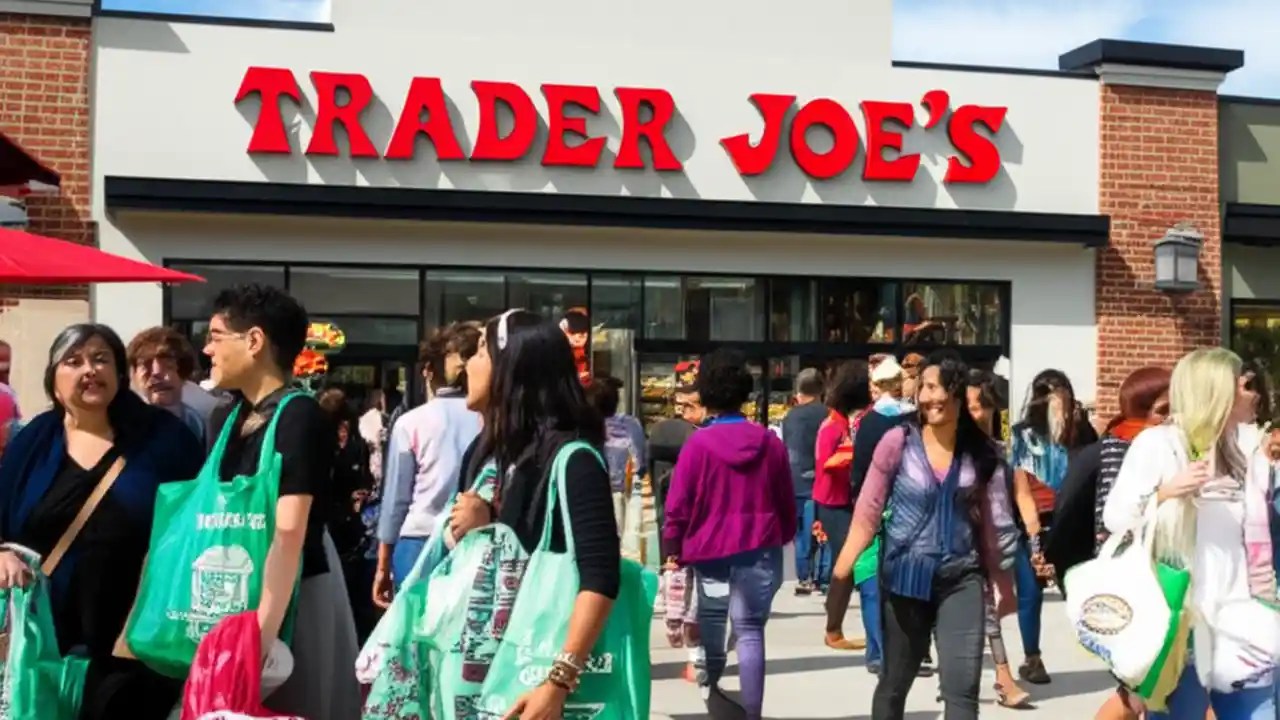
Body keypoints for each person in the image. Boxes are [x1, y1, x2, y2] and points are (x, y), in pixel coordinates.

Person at [0, 324, 204, 719]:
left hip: (137, 637)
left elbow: (193, 528)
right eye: (73, 361)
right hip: (44, 637)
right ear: (54, 381)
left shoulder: (165, 439)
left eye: (101, 359)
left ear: (120, 374)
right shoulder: (33, 442)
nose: (89, 370)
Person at [447, 309, 620, 720]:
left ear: (512, 368)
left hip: (536, 672)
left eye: (480, 353)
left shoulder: (572, 458)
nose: (466, 364)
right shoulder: (488, 452)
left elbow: (601, 575)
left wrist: (557, 682)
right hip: (480, 669)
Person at [202, 284, 361, 719]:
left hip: (292, 594)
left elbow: (290, 531)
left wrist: (258, 639)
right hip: (233, 586)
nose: (206, 349)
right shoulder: (226, 416)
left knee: (293, 702)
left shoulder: (299, 415)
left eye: (216, 336)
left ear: (254, 341)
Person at [833, 351, 1017, 720]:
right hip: (905, 580)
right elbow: (867, 515)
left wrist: (1004, 585)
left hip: (961, 579)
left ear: (959, 396)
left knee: (962, 691)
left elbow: (996, 526)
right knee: (894, 684)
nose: (933, 397)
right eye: (926, 387)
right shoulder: (897, 442)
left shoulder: (983, 454)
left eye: (941, 389)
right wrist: (841, 578)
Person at [1104, 348, 1278, 719]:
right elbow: (1116, 518)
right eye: (1244, 384)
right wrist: (1167, 493)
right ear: (1216, 390)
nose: (1254, 392)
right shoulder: (1160, 445)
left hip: (1241, 623)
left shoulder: (1245, 448)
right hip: (1179, 624)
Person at [664, 348, 797, 720]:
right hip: (761, 547)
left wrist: (672, 545)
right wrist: (784, 536)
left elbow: (678, 505)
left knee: (712, 627)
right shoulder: (770, 443)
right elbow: (786, 500)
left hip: (710, 552)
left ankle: (716, 703)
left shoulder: (698, 445)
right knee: (751, 630)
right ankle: (751, 713)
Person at [1045, 365, 1171, 720]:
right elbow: (1068, 517)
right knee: (1140, 692)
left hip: (1163, 583)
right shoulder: (1103, 453)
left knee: (1144, 692)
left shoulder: (1169, 447)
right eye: (1166, 409)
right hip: (1129, 587)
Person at [374, 322, 482, 606]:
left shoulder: (411, 423)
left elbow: (396, 500)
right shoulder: (493, 421)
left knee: (413, 636)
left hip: (418, 541)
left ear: (428, 372)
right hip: (476, 540)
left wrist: (383, 564)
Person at [1008, 369, 1098, 685]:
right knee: (1030, 594)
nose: (1055, 402)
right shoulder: (1023, 435)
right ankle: (1032, 658)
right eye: (1047, 394)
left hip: (1073, 521)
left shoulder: (1083, 434)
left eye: (1060, 394)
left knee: (1081, 591)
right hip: (1036, 522)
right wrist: (1035, 539)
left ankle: (1110, 649)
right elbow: (1021, 488)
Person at [967, 368, 1032, 709]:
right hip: (965, 541)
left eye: (984, 406)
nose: (979, 414)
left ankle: (959, 672)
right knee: (988, 612)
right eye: (972, 406)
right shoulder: (955, 451)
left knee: (996, 607)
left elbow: (1020, 494)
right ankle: (1004, 678)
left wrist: (1033, 539)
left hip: (1001, 541)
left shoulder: (1002, 449)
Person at [814, 360, 872, 651]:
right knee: (845, 563)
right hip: (833, 501)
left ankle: (833, 621)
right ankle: (833, 628)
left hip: (840, 501)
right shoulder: (832, 426)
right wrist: (855, 454)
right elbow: (826, 462)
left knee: (845, 561)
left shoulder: (840, 421)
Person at [316, 387, 378, 643]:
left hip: (345, 527)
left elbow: (364, 478)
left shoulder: (355, 445)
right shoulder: (324, 445)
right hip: (336, 525)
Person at [781, 367, 828, 595]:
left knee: (801, 531)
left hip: (793, 480)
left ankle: (804, 576)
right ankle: (823, 576)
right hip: (820, 480)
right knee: (823, 530)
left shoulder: (790, 417)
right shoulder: (827, 415)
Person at [586, 376, 647, 533]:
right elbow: (640, 464)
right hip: (625, 494)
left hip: (593, 497)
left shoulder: (585, 427)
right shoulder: (631, 424)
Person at [127, 326, 209, 442]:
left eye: (167, 365)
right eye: (146, 365)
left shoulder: (198, 423)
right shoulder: (123, 426)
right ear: (134, 374)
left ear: (184, 370)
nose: (156, 373)